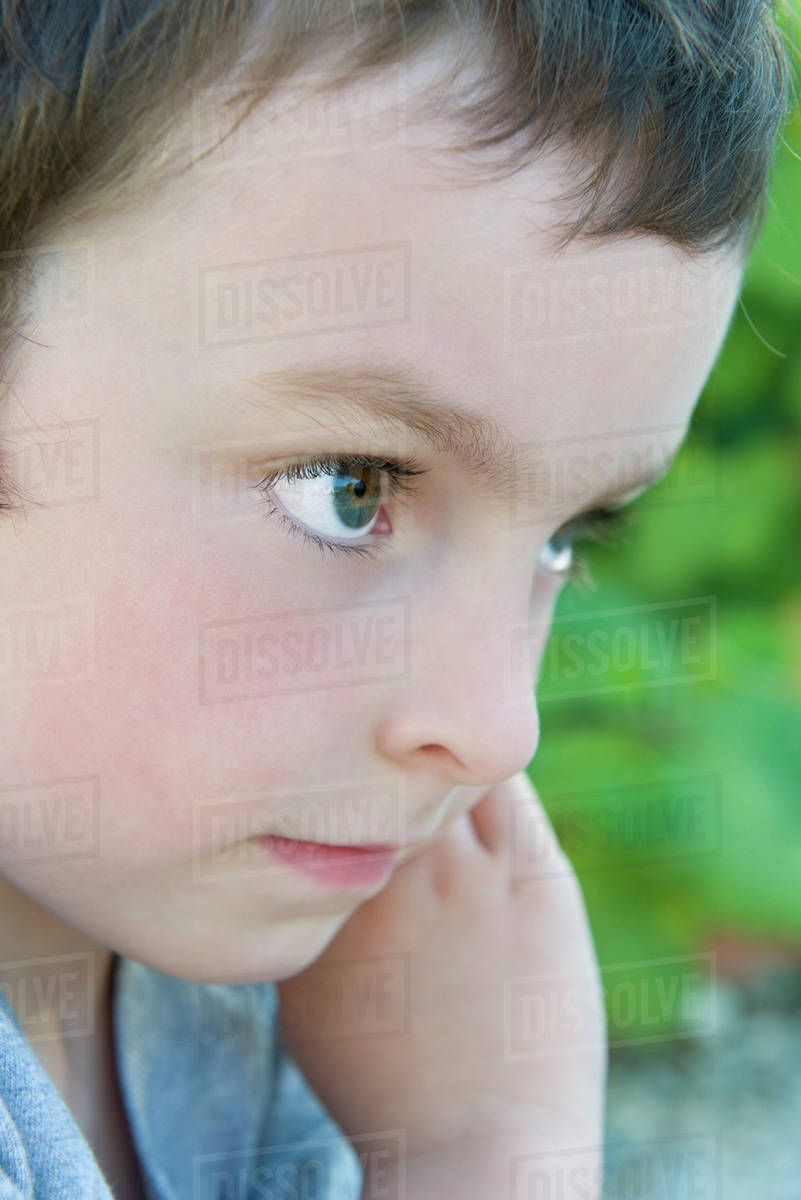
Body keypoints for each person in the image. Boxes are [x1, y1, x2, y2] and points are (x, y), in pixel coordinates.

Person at [0, 2, 790, 1197]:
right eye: (346, 492)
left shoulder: (328, 1003)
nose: (492, 728)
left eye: (564, 535)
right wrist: (491, 1160)